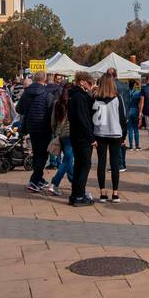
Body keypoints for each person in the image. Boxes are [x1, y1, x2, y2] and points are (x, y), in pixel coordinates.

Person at [19, 72, 55, 194]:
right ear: (44, 80)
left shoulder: (26, 93)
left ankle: (39, 178)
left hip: (31, 126)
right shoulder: (46, 94)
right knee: (43, 154)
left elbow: (19, 109)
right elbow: (51, 112)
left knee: (36, 153)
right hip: (44, 127)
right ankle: (34, 180)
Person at [92, 74, 125, 203]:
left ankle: (102, 192)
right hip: (115, 133)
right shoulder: (118, 98)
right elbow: (122, 118)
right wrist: (124, 135)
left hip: (100, 133)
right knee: (115, 163)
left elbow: (93, 117)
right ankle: (115, 192)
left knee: (101, 163)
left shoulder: (95, 98)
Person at [65, 72, 96, 206]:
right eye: (89, 83)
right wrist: (91, 137)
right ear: (82, 82)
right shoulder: (79, 97)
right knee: (84, 166)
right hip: (82, 137)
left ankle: (75, 195)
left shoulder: (74, 95)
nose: (91, 85)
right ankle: (79, 195)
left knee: (78, 166)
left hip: (76, 136)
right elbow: (83, 119)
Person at [47, 82, 76, 197]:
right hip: (70, 134)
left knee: (67, 159)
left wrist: (55, 132)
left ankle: (73, 182)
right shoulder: (73, 103)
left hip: (61, 135)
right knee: (67, 160)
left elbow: (53, 121)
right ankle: (55, 184)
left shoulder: (57, 103)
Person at [123, 80, 143, 152]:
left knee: (130, 130)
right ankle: (137, 146)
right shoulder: (138, 92)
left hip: (128, 111)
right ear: (134, 85)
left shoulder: (126, 92)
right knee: (136, 129)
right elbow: (141, 102)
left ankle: (131, 146)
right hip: (136, 111)